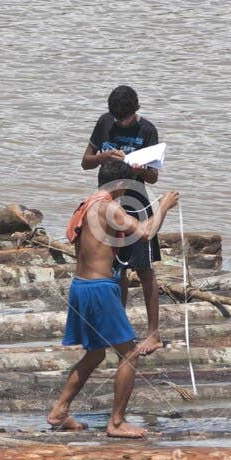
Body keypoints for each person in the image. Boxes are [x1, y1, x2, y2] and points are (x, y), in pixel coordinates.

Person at [46, 181, 179, 439]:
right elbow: (146, 232)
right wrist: (164, 205)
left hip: (80, 285)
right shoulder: (108, 207)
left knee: (95, 355)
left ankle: (59, 412)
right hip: (99, 289)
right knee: (129, 353)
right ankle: (116, 423)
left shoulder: (88, 204)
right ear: (119, 183)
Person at [81, 84, 164, 356]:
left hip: (135, 203)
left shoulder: (147, 131)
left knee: (144, 269)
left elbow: (154, 177)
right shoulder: (105, 122)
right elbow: (86, 162)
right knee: (117, 270)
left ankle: (154, 334)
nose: (118, 121)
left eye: (124, 118)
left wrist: (141, 170)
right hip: (106, 203)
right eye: (116, 117)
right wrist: (104, 156)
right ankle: (120, 329)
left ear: (135, 111)